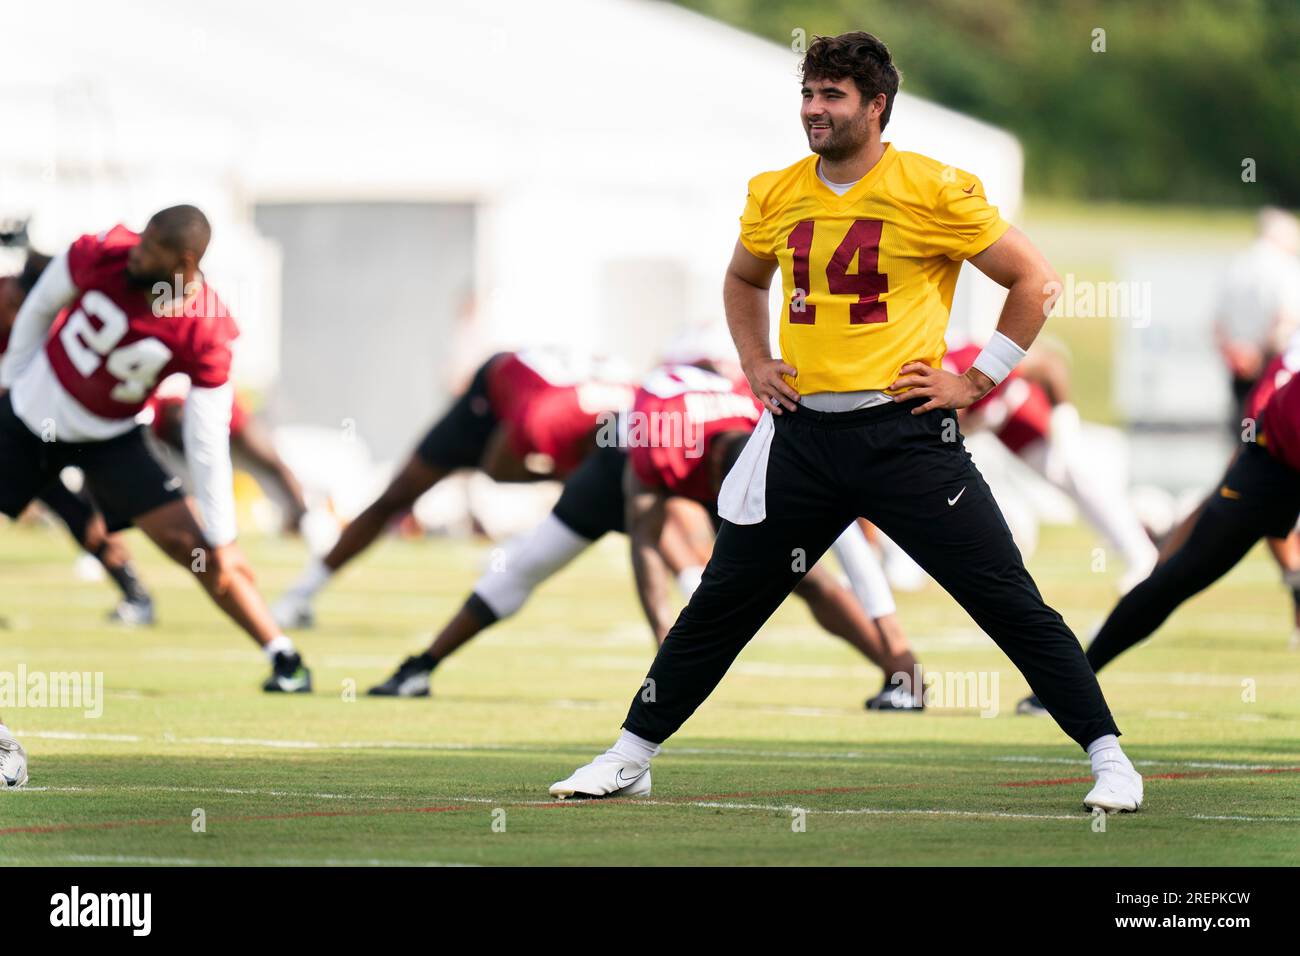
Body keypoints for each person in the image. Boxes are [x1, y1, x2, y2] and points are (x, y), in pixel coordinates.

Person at [549, 32, 1141, 812]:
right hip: (803, 440)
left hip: (904, 438)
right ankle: (630, 755)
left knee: (1007, 599)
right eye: (808, 94)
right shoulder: (778, 190)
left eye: (832, 96)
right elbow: (741, 279)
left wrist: (976, 380)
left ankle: (1109, 759)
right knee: (722, 605)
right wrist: (757, 362)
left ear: (876, 106)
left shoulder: (930, 186)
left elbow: (1036, 280)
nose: (814, 110)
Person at [369, 359, 923, 709]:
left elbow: (843, 536)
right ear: (709, 482)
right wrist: (663, 635)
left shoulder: (773, 432)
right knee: (529, 565)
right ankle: (420, 666)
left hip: (713, 444)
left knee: (807, 575)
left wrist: (897, 643)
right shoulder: (662, 445)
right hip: (615, 467)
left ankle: (897, 675)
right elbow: (644, 537)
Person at [0, 207, 312, 704]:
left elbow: (207, 439)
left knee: (199, 548)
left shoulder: (205, 326)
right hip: (31, 413)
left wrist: (225, 534)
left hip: (111, 436)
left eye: (151, 250)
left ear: (184, 262)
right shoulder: (105, 251)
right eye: (141, 242)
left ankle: (283, 655)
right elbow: (40, 305)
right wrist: (10, 383)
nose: (137, 254)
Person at [273, 348, 634, 628]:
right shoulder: (546, 419)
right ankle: (300, 593)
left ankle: (517, 549)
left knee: (597, 494)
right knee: (400, 495)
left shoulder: (640, 410)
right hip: (490, 399)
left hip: (544, 390)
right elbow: (495, 471)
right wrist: (565, 478)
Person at [1, 251, 154, 623]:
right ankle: (136, 595)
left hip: (60, 427)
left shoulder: (66, 320)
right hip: (22, 427)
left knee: (82, 512)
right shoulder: (16, 303)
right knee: (72, 511)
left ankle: (135, 594)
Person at [943, 341, 1158, 592]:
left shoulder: (973, 364)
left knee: (1074, 473)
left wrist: (1064, 425)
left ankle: (1141, 553)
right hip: (995, 430)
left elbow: (1050, 364)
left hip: (1022, 413)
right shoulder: (932, 408)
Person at [1213, 207, 1300, 429]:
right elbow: (1286, 320)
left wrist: (1238, 356)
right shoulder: (1286, 267)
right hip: (1274, 370)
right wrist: (1260, 355)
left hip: (1239, 368)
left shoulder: (1237, 264)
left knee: (1243, 435)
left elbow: (1218, 322)